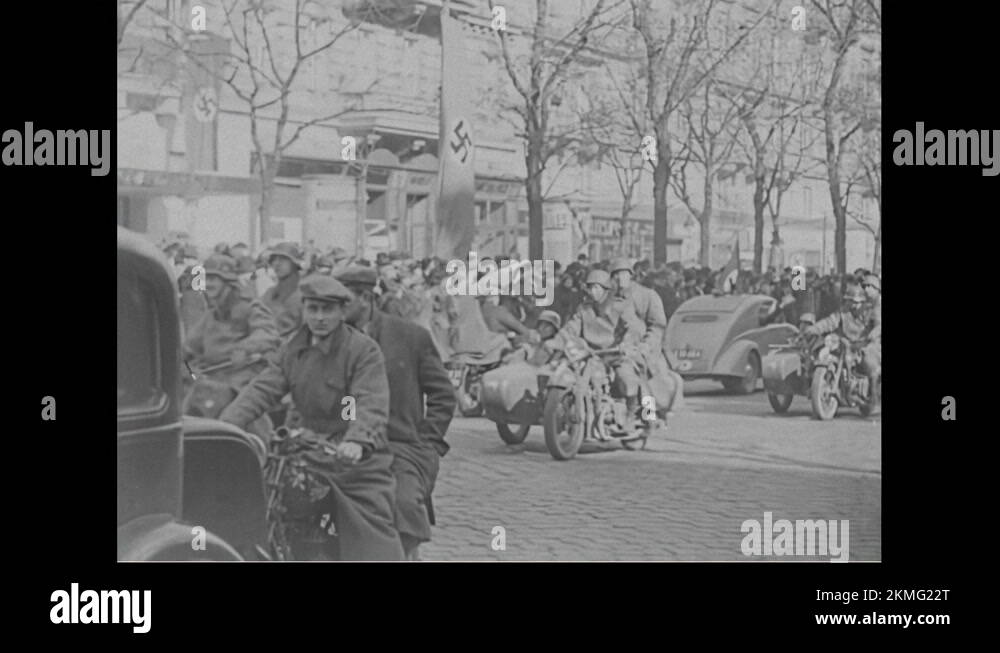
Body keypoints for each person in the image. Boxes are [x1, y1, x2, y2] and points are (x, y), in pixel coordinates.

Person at [218, 275, 404, 560]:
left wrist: (357, 440)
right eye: (313, 309)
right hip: (307, 449)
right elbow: (262, 389)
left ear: (342, 312)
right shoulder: (292, 349)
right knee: (267, 507)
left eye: (327, 310)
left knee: (371, 533)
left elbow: (367, 401)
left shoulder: (362, 351)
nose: (319, 318)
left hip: (352, 460)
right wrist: (225, 426)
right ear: (303, 310)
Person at [334, 267, 456, 560]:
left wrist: (427, 442)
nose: (335, 311)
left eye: (343, 302)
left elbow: (442, 394)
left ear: (365, 298)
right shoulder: (331, 341)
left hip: (400, 446)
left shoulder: (410, 337)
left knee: (402, 504)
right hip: (342, 445)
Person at [557, 269, 644, 435]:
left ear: (606, 289)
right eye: (590, 287)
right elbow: (573, 326)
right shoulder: (584, 308)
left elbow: (633, 328)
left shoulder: (619, 306)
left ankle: (631, 416)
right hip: (589, 355)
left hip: (614, 355)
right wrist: (562, 335)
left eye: (596, 287)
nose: (592, 291)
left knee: (626, 379)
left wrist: (626, 343)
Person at [183, 254, 280, 394]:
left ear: (228, 282)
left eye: (213, 279)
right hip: (212, 375)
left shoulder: (250, 307)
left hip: (242, 375)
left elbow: (267, 333)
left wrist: (245, 348)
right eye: (206, 279)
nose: (208, 284)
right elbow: (189, 346)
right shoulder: (211, 314)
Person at [608, 257, 682, 416]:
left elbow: (657, 326)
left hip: (640, 349)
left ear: (631, 275)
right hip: (612, 349)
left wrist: (646, 345)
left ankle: (645, 413)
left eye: (623, 274)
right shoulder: (607, 298)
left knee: (640, 377)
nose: (620, 279)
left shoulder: (647, 295)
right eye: (615, 275)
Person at [803, 285, 880, 416]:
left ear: (862, 301)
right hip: (847, 344)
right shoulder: (843, 313)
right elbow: (829, 322)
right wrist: (814, 329)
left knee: (870, 364)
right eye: (850, 301)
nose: (853, 305)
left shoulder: (869, 312)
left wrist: (874, 332)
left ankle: (874, 399)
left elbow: (879, 324)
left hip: (866, 344)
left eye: (856, 302)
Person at [262, 242, 305, 338]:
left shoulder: (305, 294)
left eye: (283, 259)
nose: (276, 264)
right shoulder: (269, 293)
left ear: (294, 263)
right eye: (274, 260)